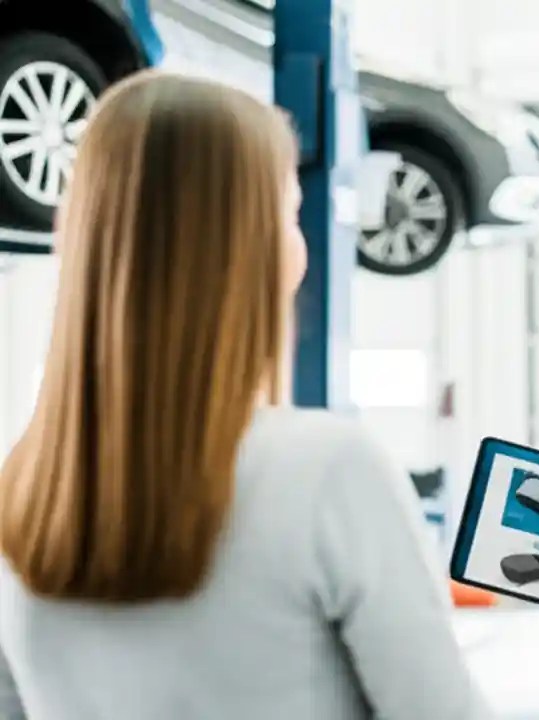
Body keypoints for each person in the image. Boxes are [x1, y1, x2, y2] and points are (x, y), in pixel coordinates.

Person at [0, 71, 489, 720]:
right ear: (242, 248)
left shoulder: (27, 488)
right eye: (288, 214)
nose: (301, 246)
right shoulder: (327, 471)